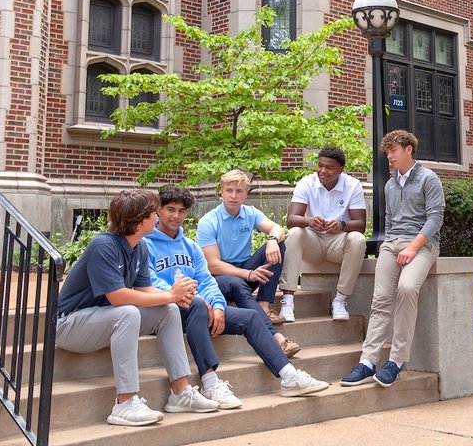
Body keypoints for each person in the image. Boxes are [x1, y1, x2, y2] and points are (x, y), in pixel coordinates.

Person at [145, 185, 329, 407]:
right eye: (170, 209)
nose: (176, 216)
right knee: (198, 306)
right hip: (169, 311)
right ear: (158, 211)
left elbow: (207, 280)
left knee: (250, 317)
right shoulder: (146, 244)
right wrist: (200, 301)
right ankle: (210, 382)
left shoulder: (190, 246)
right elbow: (150, 282)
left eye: (181, 211)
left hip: (200, 308)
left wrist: (219, 306)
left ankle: (289, 376)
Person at [55, 189, 219, 426]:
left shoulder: (140, 246)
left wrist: (174, 297)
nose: (158, 217)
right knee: (128, 312)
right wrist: (170, 294)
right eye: (155, 212)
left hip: (104, 320)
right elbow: (118, 297)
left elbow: (144, 289)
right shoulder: (104, 246)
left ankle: (180, 393)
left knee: (169, 310)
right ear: (142, 220)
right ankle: (125, 402)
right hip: (69, 325)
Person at [341, 130, 445, 388]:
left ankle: (396, 361)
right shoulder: (389, 184)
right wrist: (389, 243)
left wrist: (412, 247)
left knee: (407, 288)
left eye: (393, 151)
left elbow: (435, 219)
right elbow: (389, 219)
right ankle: (367, 362)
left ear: (409, 149)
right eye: (387, 152)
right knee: (380, 300)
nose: (389, 156)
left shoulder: (428, 179)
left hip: (422, 244)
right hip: (392, 244)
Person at [197, 169, 301, 357]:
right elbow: (212, 264)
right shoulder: (209, 221)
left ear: (246, 194)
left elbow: (277, 229)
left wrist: (271, 240)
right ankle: (276, 339)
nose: (234, 196)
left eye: (239, 191)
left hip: (246, 269)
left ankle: (263, 307)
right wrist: (247, 275)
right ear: (221, 192)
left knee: (279, 244)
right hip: (219, 277)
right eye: (229, 190)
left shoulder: (250, 213)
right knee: (237, 283)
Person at [282, 146, 368, 321]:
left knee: (357, 239)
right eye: (320, 166)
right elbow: (291, 220)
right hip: (312, 243)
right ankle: (288, 301)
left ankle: (340, 300)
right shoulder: (306, 183)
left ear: (340, 169)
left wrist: (341, 225)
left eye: (329, 168)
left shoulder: (352, 185)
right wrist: (308, 221)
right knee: (295, 233)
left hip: (337, 243)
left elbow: (361, 224)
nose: (322, 171)